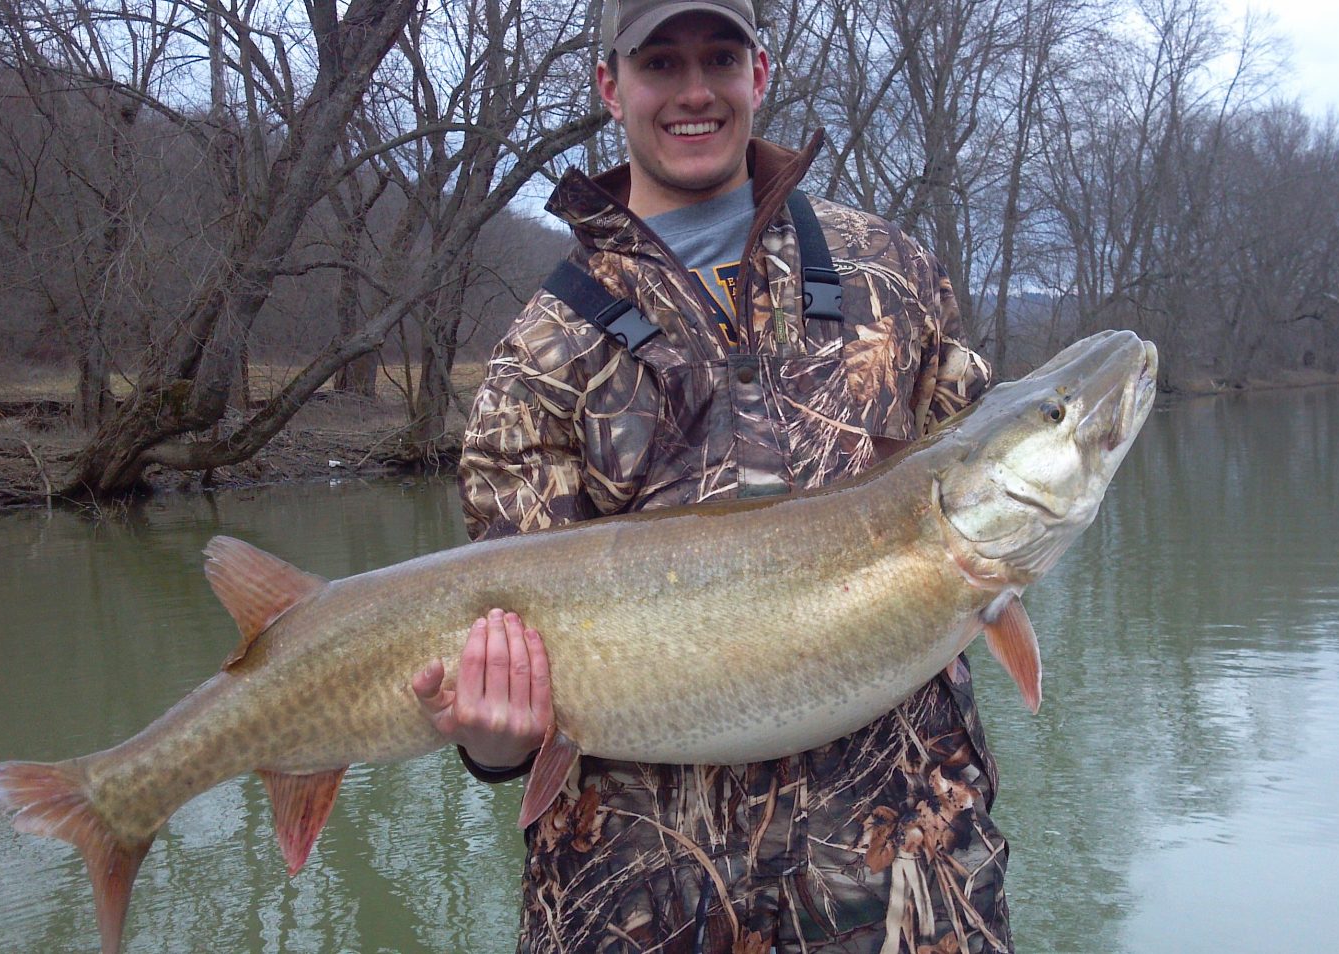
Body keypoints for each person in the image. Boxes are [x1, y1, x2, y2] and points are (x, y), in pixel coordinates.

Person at [411, 1, 1010, 949]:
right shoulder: (540, 357)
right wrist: (490, 732)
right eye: (661, 62)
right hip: (635, 909)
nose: (694, 91)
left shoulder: (891, 274)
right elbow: (500, 711)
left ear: (759, 74)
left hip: (908, 889)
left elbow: (983, 493)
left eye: (719, 57)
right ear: (611, 86)